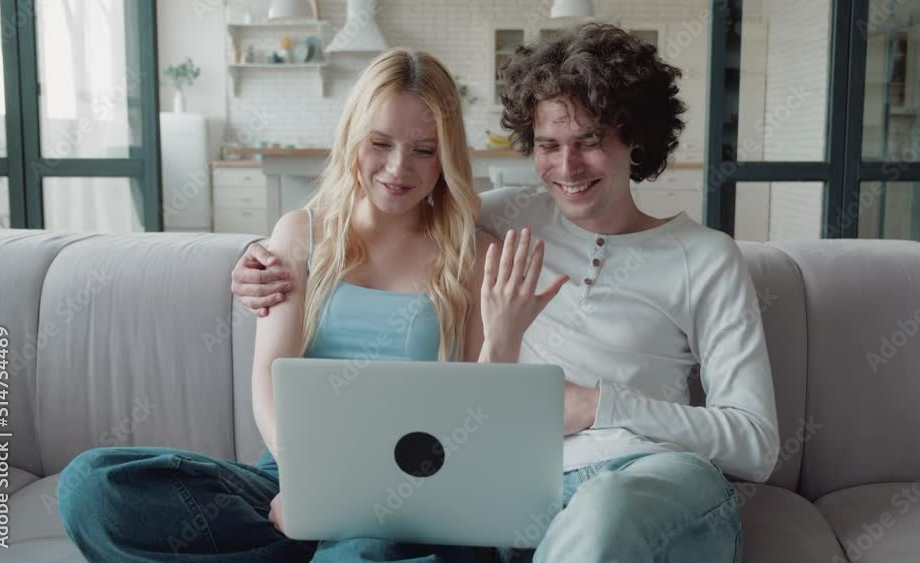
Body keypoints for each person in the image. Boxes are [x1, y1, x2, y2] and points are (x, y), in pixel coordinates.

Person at [234, 24, 781, 563]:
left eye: (589, 141)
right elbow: (397, 213)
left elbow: (756, 443)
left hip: (656, 478)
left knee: (607, 509)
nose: (566, 167)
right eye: (548, 145)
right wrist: (261, 259)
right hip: (530, 487)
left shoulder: (706, 256)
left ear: (637, 140)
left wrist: (599, 407)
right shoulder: (502, 219)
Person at [57, 48, 565, 563]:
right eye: (380, 143)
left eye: (423, 150)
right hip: (292, 468)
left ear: (447, 156)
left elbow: (477, 422)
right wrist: (308, 484)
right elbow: (268, 380)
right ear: (352, 140)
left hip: (408, 484)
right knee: (94, 487)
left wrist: (504, 340)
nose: (397, 167)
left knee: (372, 538)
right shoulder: (302, 233)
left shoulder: (472, 252)